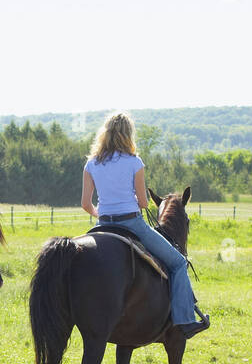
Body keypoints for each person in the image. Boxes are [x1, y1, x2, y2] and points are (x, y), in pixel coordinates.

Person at [81, 112, 209, 338]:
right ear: (128, 135)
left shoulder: (91, 164)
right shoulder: (134, 162)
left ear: (105, 134)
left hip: (102, 226)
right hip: (131, 224)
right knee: (179, 263)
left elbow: (85, 204)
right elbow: (142, 202)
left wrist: (98, 212)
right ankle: (186, 320)